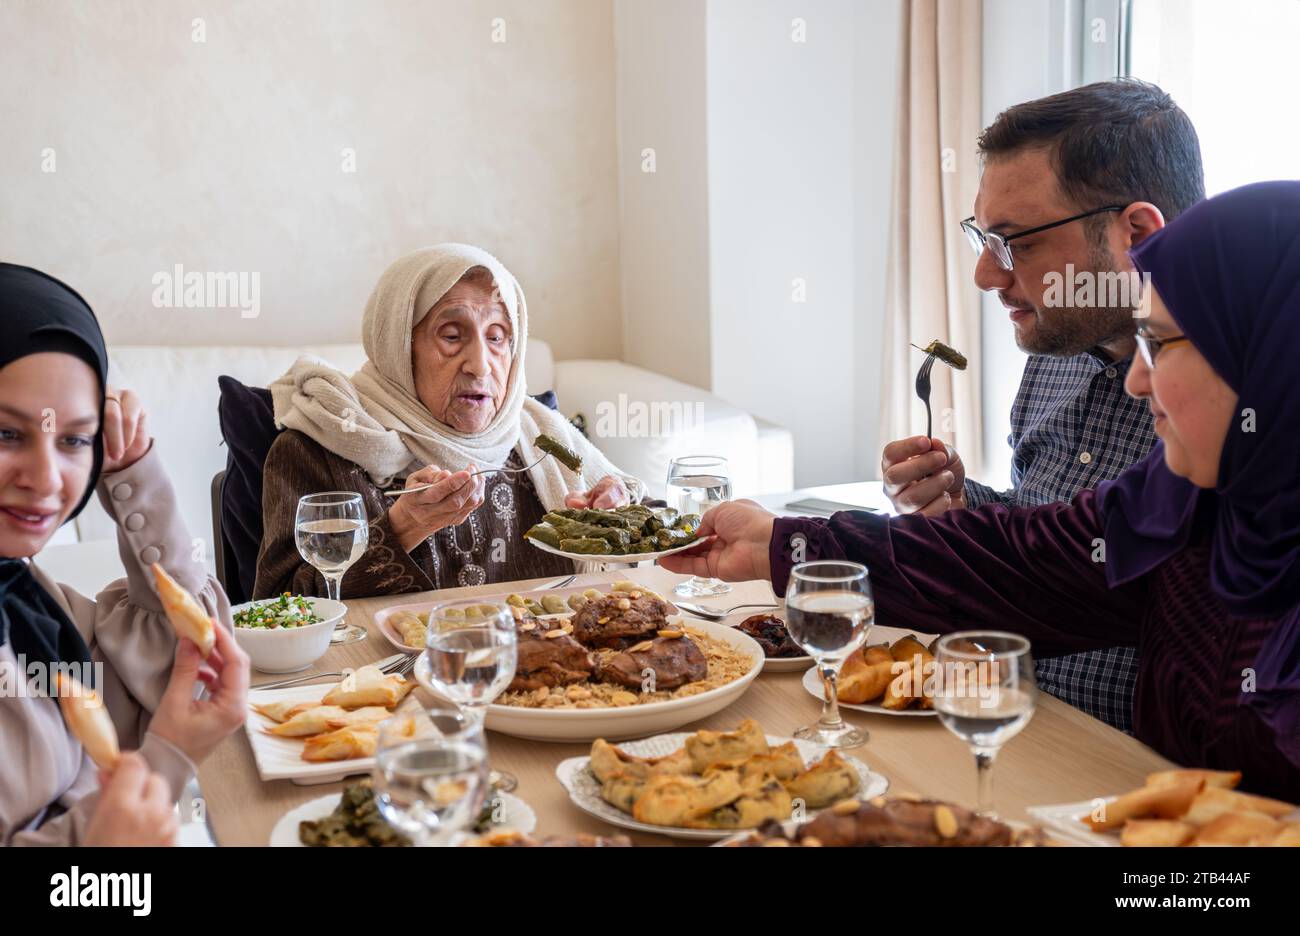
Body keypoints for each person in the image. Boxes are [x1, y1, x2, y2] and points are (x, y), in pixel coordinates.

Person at [665, 183, 1300, 798]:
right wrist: (784, 543)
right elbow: (1021, 562)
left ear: (1267, 350)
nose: (1138, 378)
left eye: (1159, 345)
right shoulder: (1196, 495)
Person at [880, 79, 1205, 732]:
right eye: (983, 238)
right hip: (1017, 736)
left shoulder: (1231, 401)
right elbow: (1045, 538)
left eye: (1018, 243)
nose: (987, 276)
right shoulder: (1054, 351)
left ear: (1137, 234)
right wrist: (968, 507)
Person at [0, 264, 248, 845]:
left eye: (74, 440)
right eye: (6, 434)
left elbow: (177, 649)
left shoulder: (25, 593)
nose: (46, 479)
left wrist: (133, 473)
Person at [254, 244, 646, 598]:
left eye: (497, 338)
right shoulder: (320, 445)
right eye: (452, 336)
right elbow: (280, 607)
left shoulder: (541, 438)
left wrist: (614, 514)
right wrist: (402, 527)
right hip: (383, 675)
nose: (480, 366)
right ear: (399, 348)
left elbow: (655, 535)